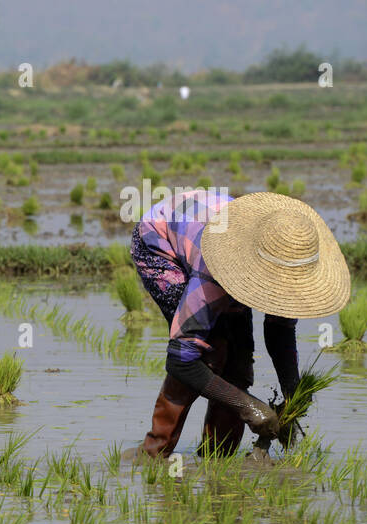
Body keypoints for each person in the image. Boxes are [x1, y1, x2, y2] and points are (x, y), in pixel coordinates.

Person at [125, 190, 350, 459]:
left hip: (212, 226)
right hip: (160, 242)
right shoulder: (215, 268)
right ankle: (152, 452)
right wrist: (248, 407)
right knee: (210, 353)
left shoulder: (287, 262)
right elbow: (181, 359)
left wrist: (293, 392)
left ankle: (217, 457)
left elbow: (279, 331)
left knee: (240, 361)